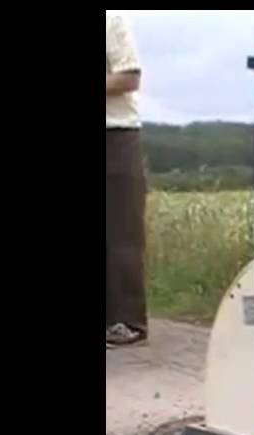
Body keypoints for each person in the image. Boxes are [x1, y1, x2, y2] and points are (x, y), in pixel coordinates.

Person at [106, 13, 148, 347]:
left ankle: (127, 320)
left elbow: (129, 77)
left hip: (115, 135)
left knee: (121, 229)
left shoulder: (111, 20)